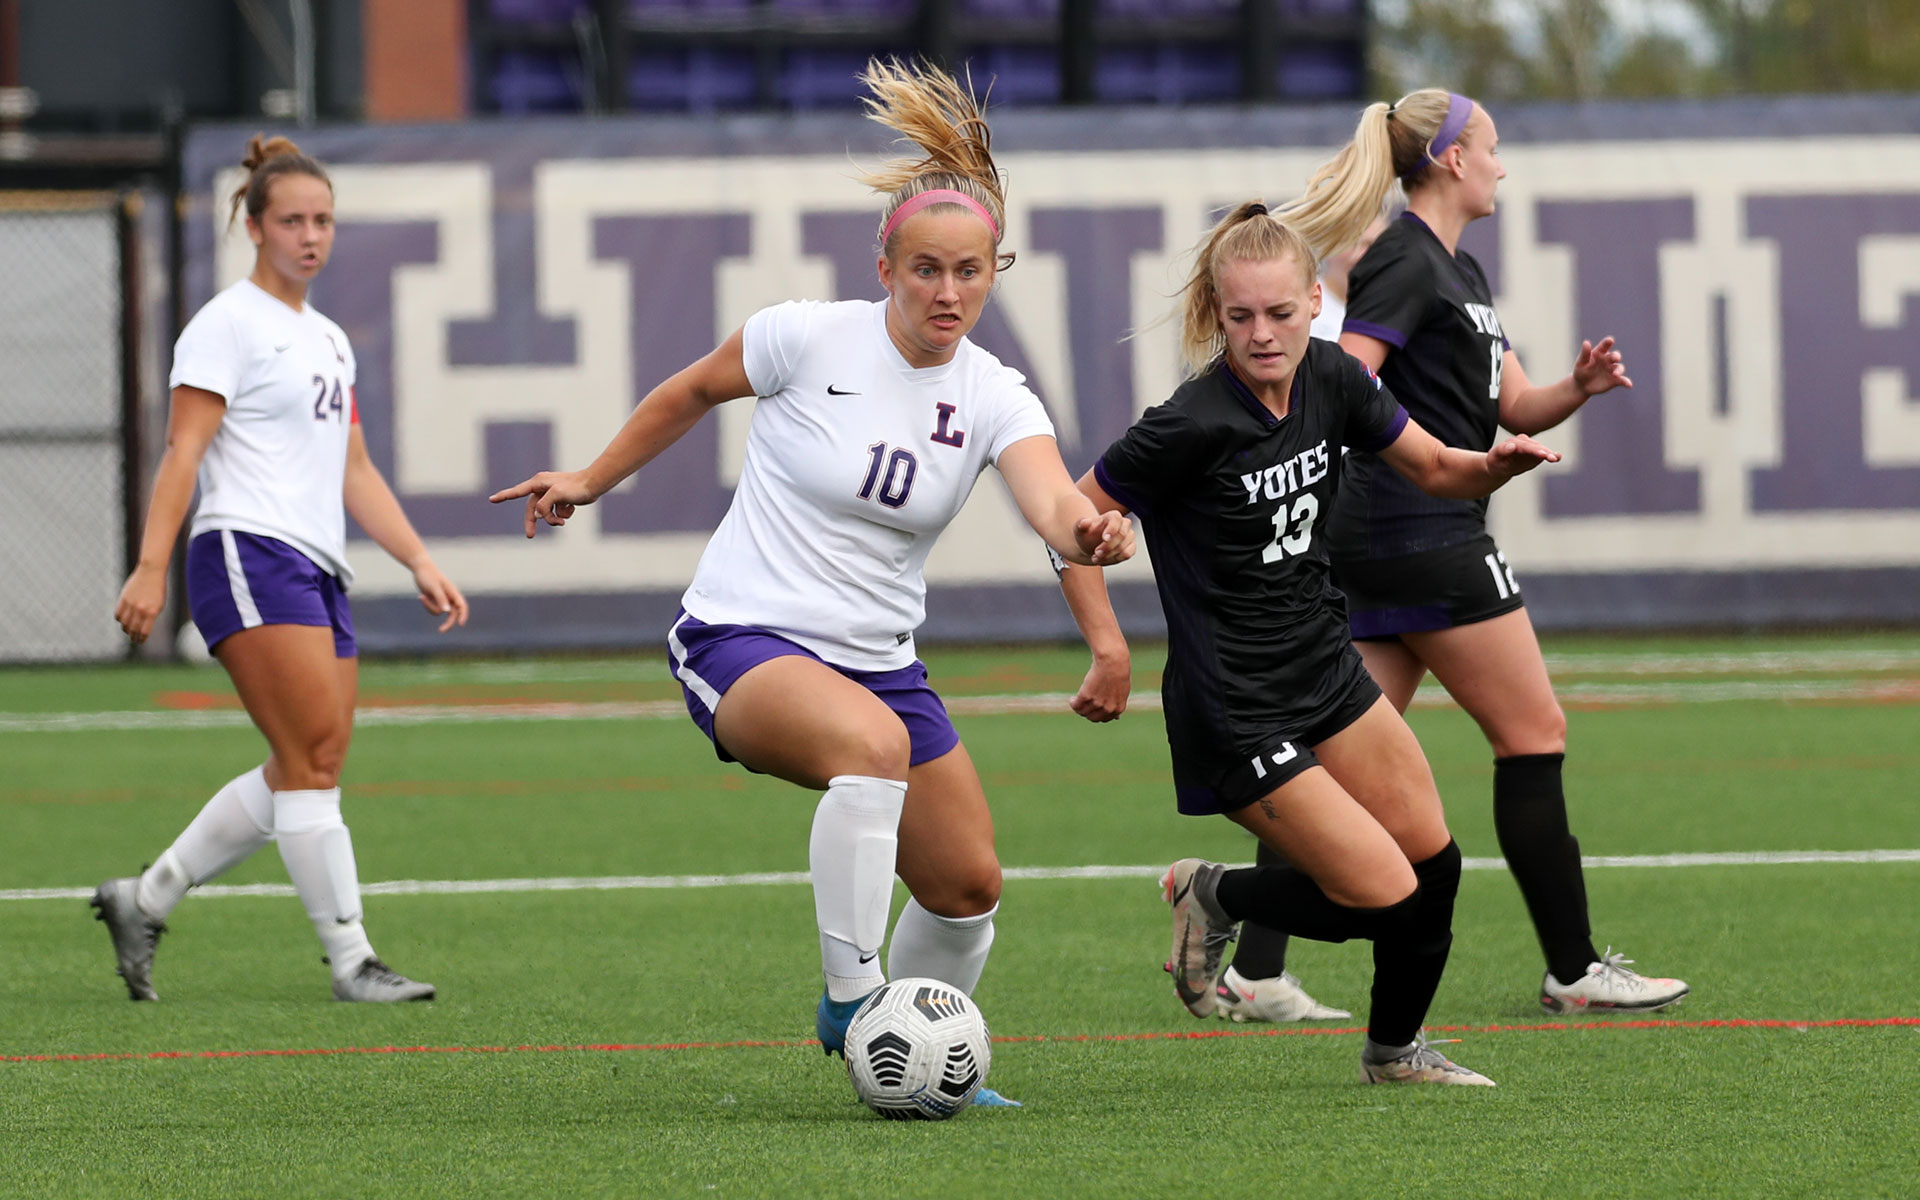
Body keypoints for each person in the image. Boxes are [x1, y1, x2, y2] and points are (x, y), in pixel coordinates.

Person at [489, 60, 1133, 1108]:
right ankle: (855, 1004)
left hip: (881, 665)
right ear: (884, 264)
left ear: (993, 274)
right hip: (742, 639)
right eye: (926, 269)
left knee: (969, 887)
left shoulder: (992, 394)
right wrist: (588, 479)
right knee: (872, 752)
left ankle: (927, 1070)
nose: (948, 292)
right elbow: (691, 388)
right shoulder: (805, 336)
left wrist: (1095, 534)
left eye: (969, 272)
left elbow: (1055, 506)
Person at [1061, 191, 1562, 1085]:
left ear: (1312, 306)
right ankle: (1213, 892)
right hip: (1235, 708)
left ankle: (1394, 1053)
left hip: (1326, 674)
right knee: (1386, 897)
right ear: (1218, 315)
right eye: (1242, 315)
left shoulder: (1333, 377)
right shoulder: (1190, 423)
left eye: (1283, 312)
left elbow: (1438, 466)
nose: (1263, 333)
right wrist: (1107, 645)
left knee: (1434, 870)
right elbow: (1071, 519)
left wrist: (1492, 463)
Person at [1310, 89, 1684, 1014]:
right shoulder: (1403, 259)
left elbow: (1514, 405)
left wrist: (1578, 388)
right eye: (1492, 148)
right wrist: (1431, 461)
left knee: (1341, 761)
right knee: (1533, 735)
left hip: (1397, 534)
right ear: (1450, 159)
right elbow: (1345, 379)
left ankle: (1250, 963)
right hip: (1419, 528)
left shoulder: (1458, 271)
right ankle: (1574, 970)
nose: (1501, 165)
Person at [96, 135, 469, 1003]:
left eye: (324, 220)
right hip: (243, 550)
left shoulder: (330, 339)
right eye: (292, 220)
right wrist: (152, 568)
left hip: (316, 565)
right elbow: (181, 454)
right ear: (254, 228)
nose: (311, 234)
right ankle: (351, 960)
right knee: (308, 758)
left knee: (311, 757)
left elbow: (356, 469)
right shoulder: (227, 323)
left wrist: (416, 558)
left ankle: (142, 898)